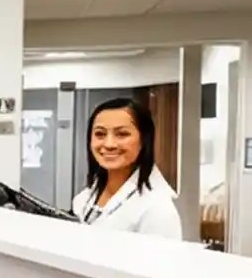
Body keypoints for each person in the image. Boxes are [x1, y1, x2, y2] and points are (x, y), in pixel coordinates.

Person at [71, 97, 182, 240]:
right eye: (100, 134)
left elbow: (162, 262)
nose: (109, 144)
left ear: (144, 140)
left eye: (122, 134)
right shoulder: (84, 197)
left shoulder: (157, 209)